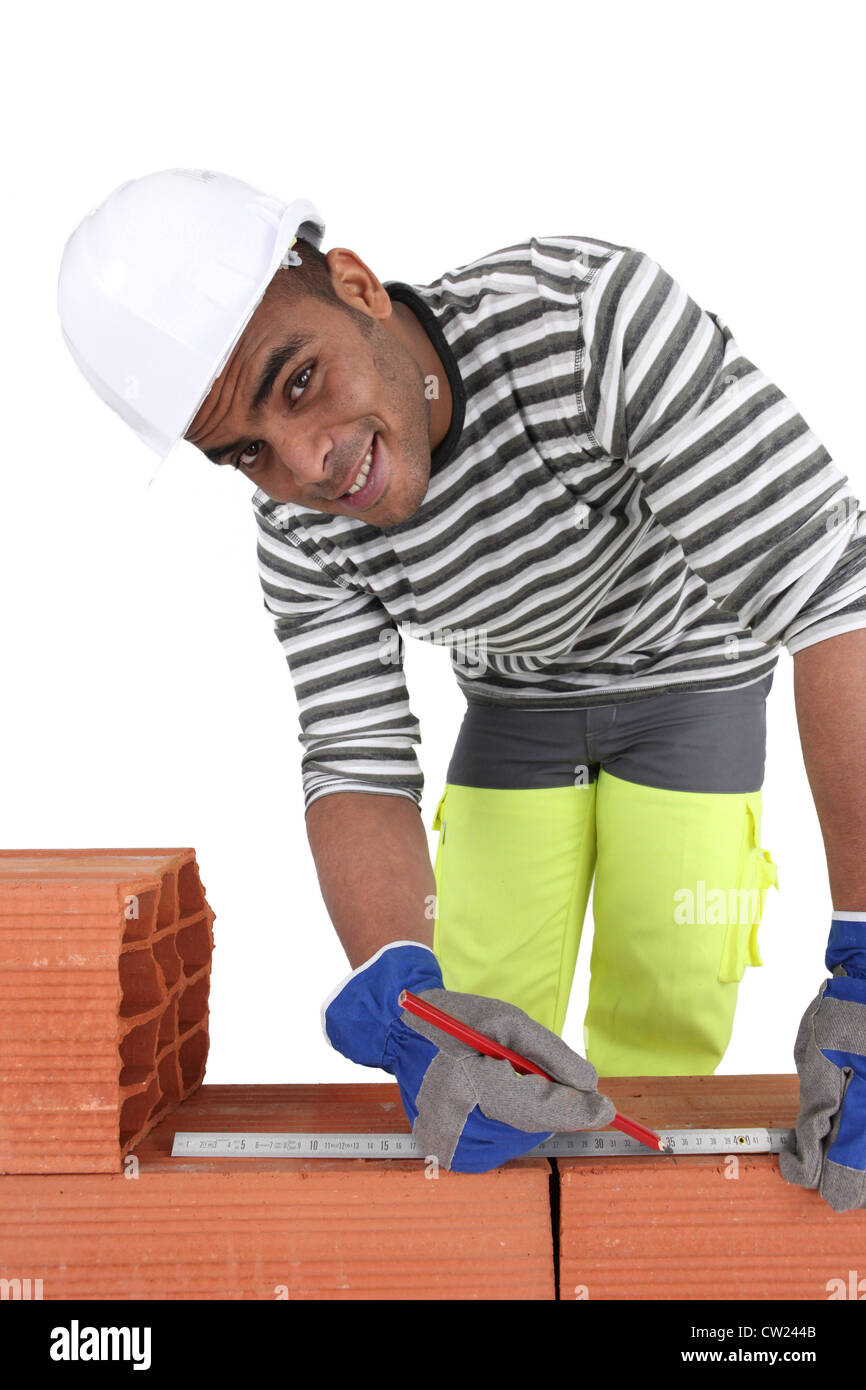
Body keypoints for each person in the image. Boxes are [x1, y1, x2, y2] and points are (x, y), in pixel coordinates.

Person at [57, 168, 866, 1203]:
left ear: (354, 285)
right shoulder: (299, 527)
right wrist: (402, 991)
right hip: (517, 703)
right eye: (247, 451)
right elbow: (354, 759)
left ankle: (642, 1234)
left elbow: (833, 589)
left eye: (296, 381)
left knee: (665, 997)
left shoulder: (585, 323)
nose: (307, 465)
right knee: (481, 1006)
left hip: (690, 677)